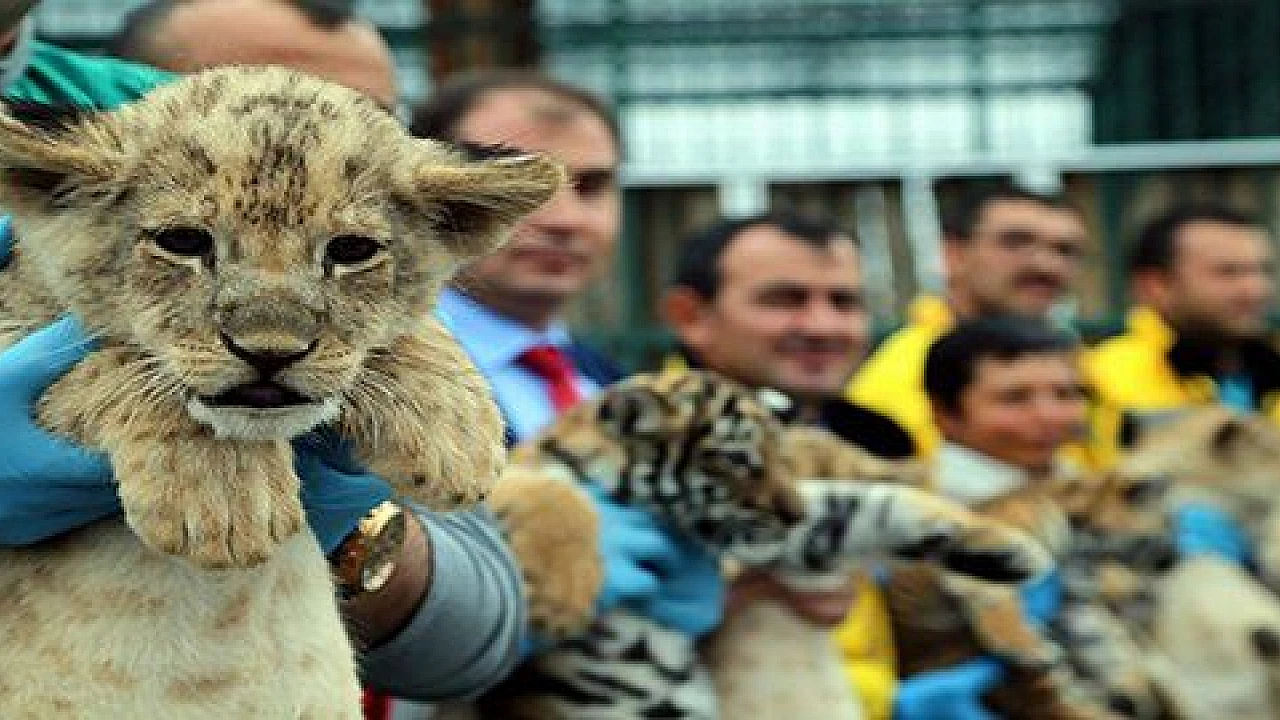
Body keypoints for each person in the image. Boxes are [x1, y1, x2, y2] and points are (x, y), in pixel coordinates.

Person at [0, 0, 527, 709]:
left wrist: (352, 526)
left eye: (376, 114)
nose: (271, 341)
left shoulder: (116, 100)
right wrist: (118, 397)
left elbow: (480, 634)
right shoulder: (102, 143)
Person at [410, 71, 728, 713]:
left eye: (592, 186)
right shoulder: (374, 378)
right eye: (520, 180)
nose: (562, 218)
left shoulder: (608, 383)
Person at [662, 213, 913, 720]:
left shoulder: (884, 440)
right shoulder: (642, 443)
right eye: (784, 299)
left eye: (844, 302)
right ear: (691, 316)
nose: (823, 326)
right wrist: (729, 595)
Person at [894, 317, 1088, 720]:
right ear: (945, 414)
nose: (1049, 415)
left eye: (1066, 393)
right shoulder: (930, 510)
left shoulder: (1077, 487)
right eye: (1015, 398)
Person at [849, 185, 1088, 456]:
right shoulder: (896, 385)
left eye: (1065, 250)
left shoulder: (1084, 365)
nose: (1045, 265)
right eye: (1016, 242)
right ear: (953, 254)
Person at [1084, 205, 1279, 467]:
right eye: (1228, 272)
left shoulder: (1268, 365)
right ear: (1155, 286)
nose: (1255, 289)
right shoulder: (1100, 376)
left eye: (1263, 271)